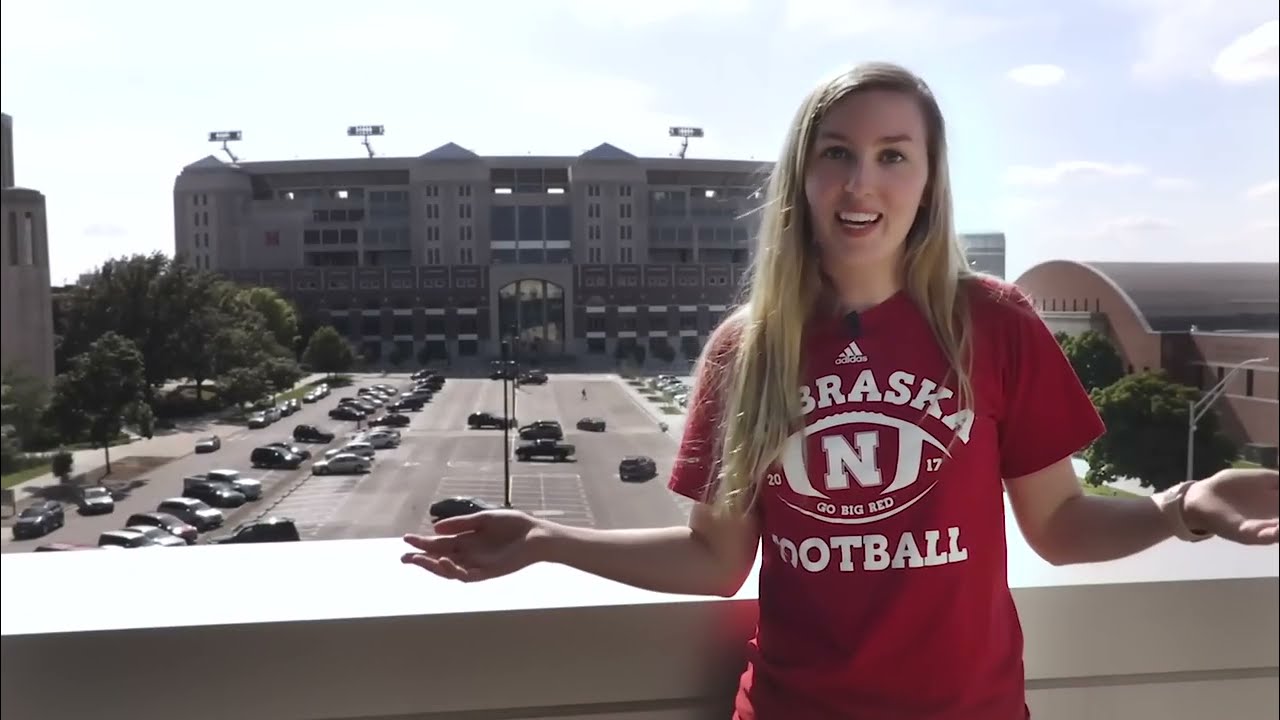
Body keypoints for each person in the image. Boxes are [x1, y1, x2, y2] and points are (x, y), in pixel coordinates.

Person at [401, 62, 1279, 719]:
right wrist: (549, 539)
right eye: (838, 154)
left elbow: (1060, 525)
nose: (863, 182)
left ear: (928, 181)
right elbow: (716, 560)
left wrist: (1186, 505)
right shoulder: (747, 350)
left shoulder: (995, 323)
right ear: (803, 178)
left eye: (894, 155)